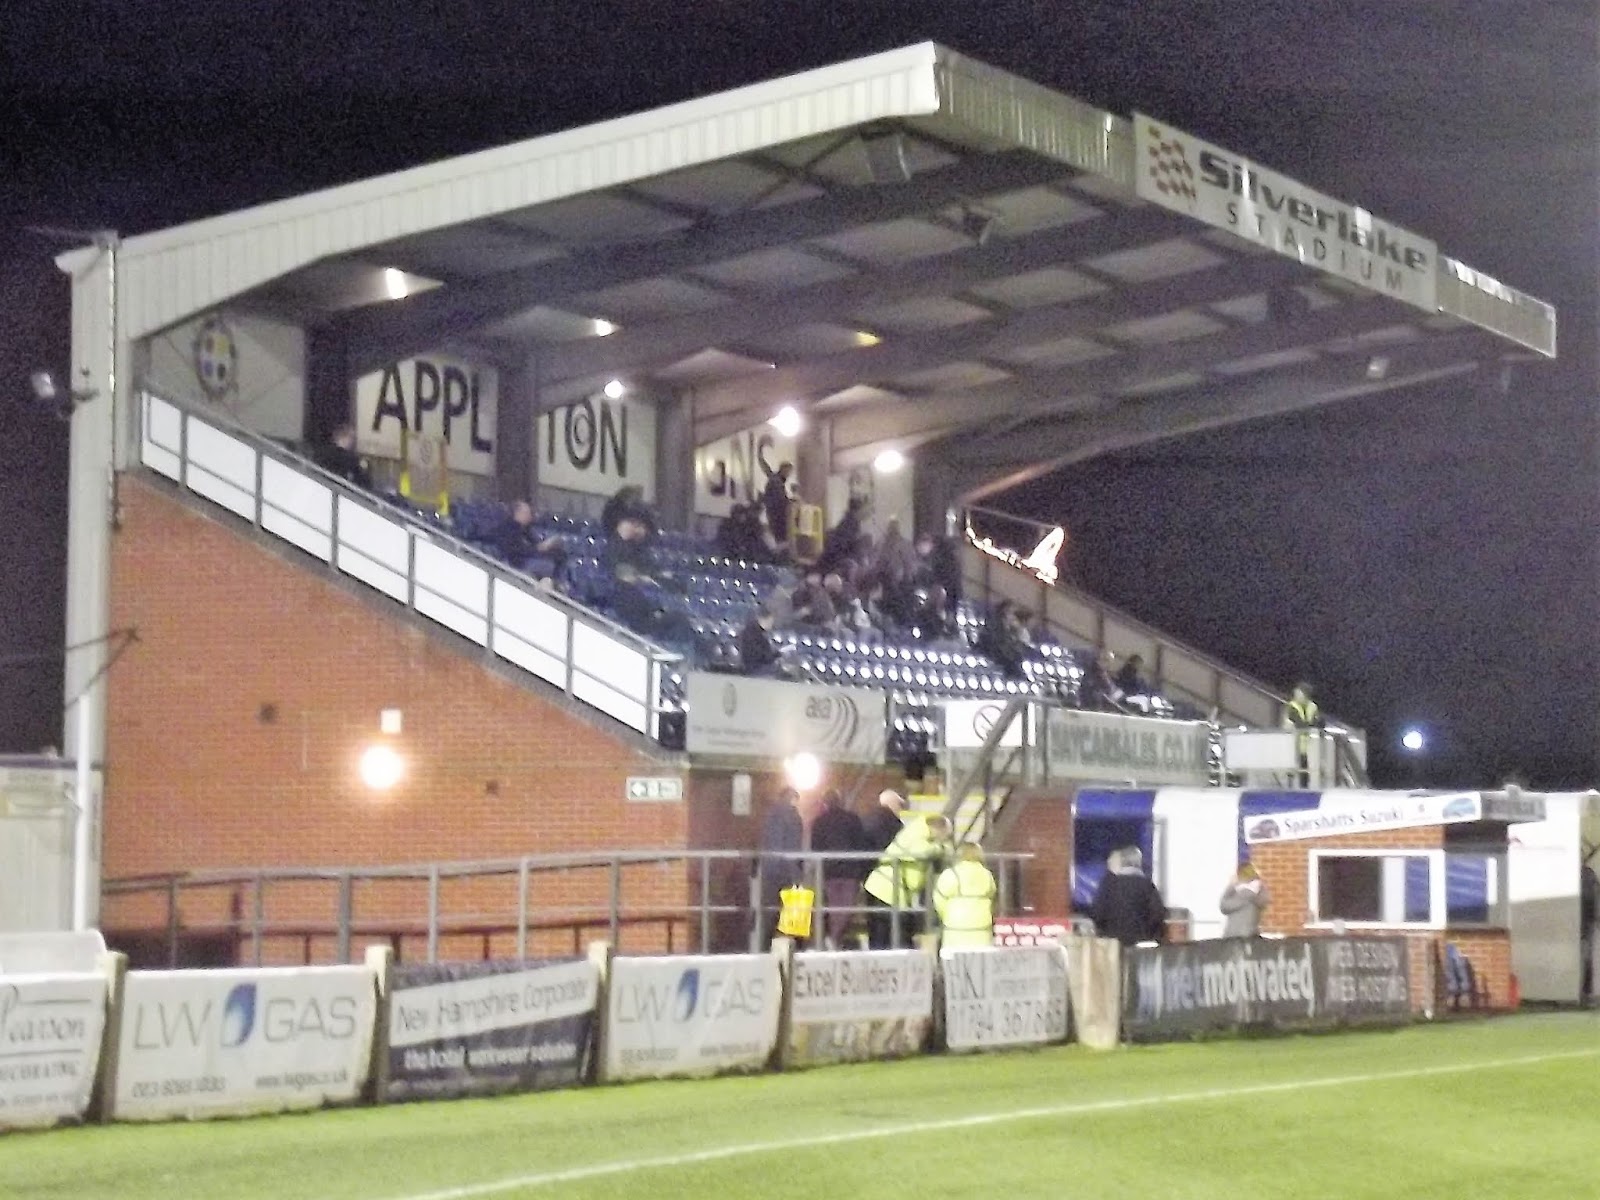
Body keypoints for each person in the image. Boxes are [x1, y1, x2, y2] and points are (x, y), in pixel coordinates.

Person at [864, 811, 951, 949]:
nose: (943, 840)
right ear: (937, 830)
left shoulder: (918, 832)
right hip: (887, 890)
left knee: (886, 936)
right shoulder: (917, 834)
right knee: (891, 936)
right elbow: (919, 852)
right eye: (944, 836)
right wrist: (940, 848)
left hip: (890, 890)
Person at [810, 790, 867, 949]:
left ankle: (834, 940)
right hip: (850, 871)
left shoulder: (819, 822)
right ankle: (835, 939)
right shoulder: (852, 819)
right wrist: (862, 869)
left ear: (825, 803)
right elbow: (860, 844)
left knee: (834, 907)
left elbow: (815, 847)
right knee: (847, 908)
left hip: (829, 871)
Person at [755, 788, 805, 950]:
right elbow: (795, 846)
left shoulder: (769, 816)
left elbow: (766, 842)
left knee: (769, 913)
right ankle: (793, 949)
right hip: (789, 871)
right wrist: (798, 873)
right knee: (793, 916)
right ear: (792, 799)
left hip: (769, 869)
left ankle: (765, 948)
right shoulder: (794, 817)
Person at [1088, 846, 1167, 947]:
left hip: (1113, 943)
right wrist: (1148, 933)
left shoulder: (1109, 885)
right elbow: (1157, 913)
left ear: (1121, 862)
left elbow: (1098, 913)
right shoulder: (1147, 885)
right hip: (1141, 942)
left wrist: (1104, 931)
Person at [933, 842, 998, 950]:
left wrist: (947, 916)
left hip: (955, 928)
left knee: (955, 959)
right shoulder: (987, 874)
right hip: (982, 929)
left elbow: (938, 901)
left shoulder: (950, 874)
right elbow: (992, 899)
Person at [495, 500, 567, 582]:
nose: (530, 516)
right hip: (518, 563)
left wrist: (545, 546)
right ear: (518, 513)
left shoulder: (526, 529)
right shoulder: (508, 529)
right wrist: (537, 548)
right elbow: (517, 550)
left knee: (559, 555)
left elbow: (534, 543)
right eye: (527, 513)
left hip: (531, 557)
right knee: (548, 565)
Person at [1281, 682, 1322, 787]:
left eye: (1299, 693)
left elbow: (1319, 723)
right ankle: (1290, 787)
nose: (1296, 695)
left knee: (1305, 770)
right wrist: (1311, 724)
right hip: (1293, 744)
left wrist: (1310, 724)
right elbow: (1298, 723)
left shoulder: (1313, 707)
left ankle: (1305, 788)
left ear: (1305, 695)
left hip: (1309, 745)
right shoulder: (1292, 706)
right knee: (1292, 768)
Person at [1219, 862, 1269, 938]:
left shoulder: (1235, 891)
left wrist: (1231, 885)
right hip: (1249, 934)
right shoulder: (1256, 893)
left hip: (1231, 935)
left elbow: (1223, 906)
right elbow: (1264, 902)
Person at [736, 606, 787, 677]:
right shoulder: (754, 634)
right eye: (771, 622)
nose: (772, 625)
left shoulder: (754, 632)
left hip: (755, 666)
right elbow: (761, 655)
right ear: (765, 620)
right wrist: (777, 654)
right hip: (755, 668)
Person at [318, 424, 371, 489]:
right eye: (351, 437)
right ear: (343, 437)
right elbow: (363, 482)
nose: (354, 441)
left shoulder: (323, 453)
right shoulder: (348, 458)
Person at [761, 462, 794, 548]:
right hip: (777, 513)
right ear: (783, 470)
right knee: (780, 535)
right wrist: (789, 502)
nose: (789, 474)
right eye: (788, 471)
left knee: (778, 535)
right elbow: (779, 498)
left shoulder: (776, 480)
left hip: (773, 512)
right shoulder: (776, 482)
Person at [1581, 852, 1597, 1007]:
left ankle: (1586, 992)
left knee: (1586, 959)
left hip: (1585, 924)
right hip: (1585, 923)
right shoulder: (1589, 875)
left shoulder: (1588, 875)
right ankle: (1586, 993)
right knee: (1586, 959)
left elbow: (1593, 899)